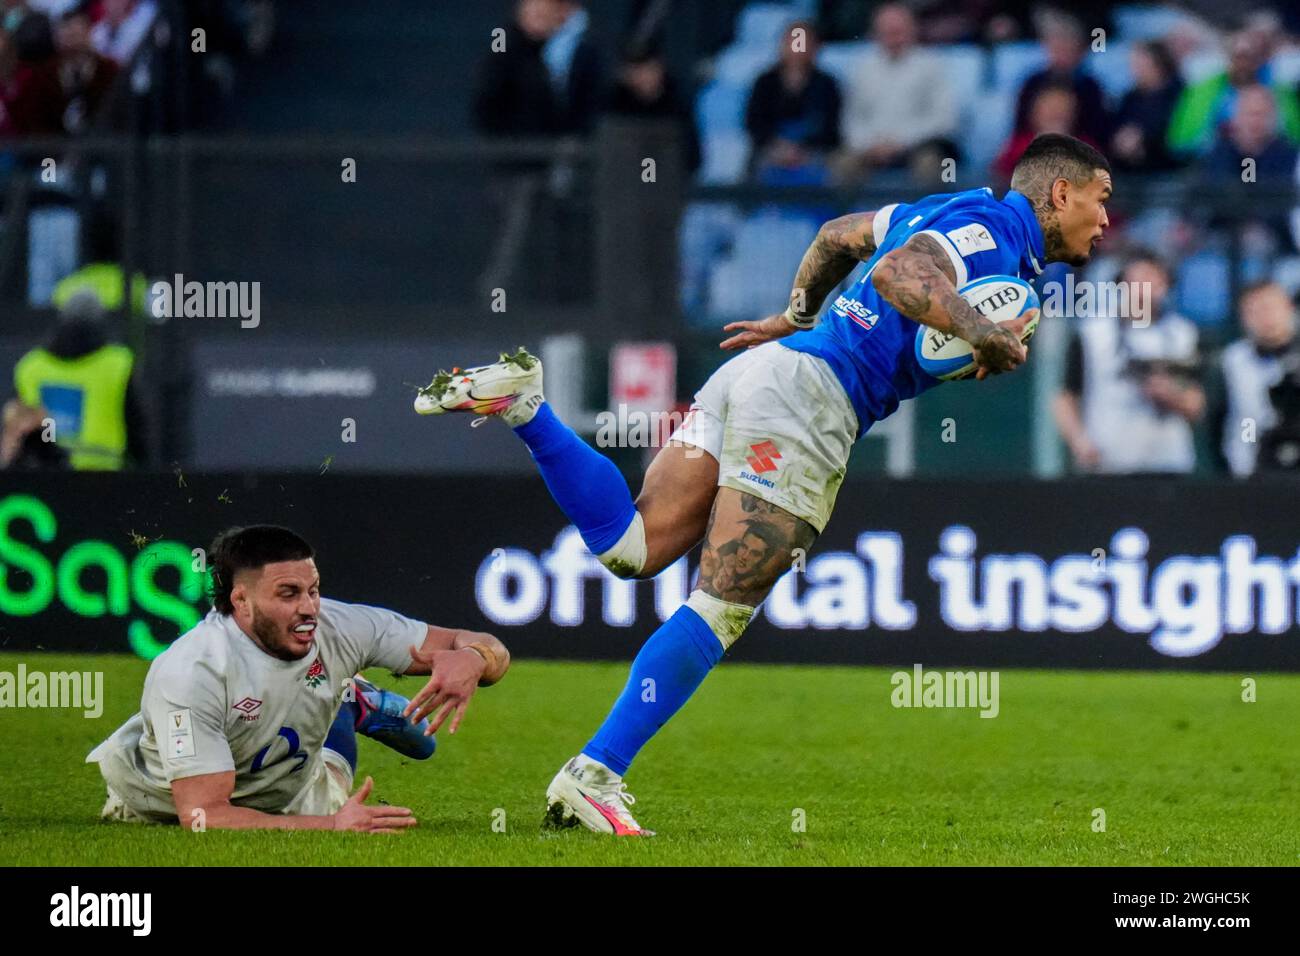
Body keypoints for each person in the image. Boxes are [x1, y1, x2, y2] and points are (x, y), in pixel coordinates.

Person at [414, 132, 1112, 835]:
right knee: (720, 608)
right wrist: (980, 333)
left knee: (631, 546)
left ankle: (527, 408)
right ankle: (593, 775)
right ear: (1060, 192)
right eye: (1101, 199)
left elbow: (838, 235)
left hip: (768, 369)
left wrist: (798, 317)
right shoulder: (989, 235)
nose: (1107, 219)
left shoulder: (948, 209)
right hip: (812, 403)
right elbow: (901, 274)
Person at [86, 525, 511, 830]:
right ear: (241, 601)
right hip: (159, 801)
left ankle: (347, 697)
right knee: (333, 799)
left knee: (316, 777)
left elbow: (485, 647)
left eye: (313, 589)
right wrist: (332, 827)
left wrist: (472, 657)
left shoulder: (341, 626)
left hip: (285, 787)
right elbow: (203, 816)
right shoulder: (192, 672)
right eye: (288, 594)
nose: (309, 608)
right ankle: (348, 699)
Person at [1053, 250, 1203, 474]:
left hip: (1167, 461)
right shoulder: (1092, 334)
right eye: (1135, 279)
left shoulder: (1184, 334)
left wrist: (1170, 394)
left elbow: (1196, 404)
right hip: (1108, 460)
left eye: (1152, 279)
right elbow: (1066, 396)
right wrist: (1079, 441)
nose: (1143, 287)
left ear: (1166, 285)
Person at [12, 291, 147, 470]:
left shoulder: (30, 367)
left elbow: (15, 432)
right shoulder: (118, 363)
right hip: (105, 478)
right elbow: (137, 430)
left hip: (44, 478)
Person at [837, 2, 957, 183]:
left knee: (931, 164)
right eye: (886, 32)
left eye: (898, 31)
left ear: (912, 30)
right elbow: (851, 119)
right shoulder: (863, 69)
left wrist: (900, 143)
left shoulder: (932, 65)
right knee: (842, 163)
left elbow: (945, 120)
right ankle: (849, 212)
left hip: (918, 148)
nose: (892, 38)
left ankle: (926, 212)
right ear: (875, 33)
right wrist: (870, 146)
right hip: (871, 149)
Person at [1167, 27, 1300, 158]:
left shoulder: (1280, 91)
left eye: (1250, 57)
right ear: (1228, 56)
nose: (1243, 63)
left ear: (1262, 58)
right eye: (1238, 56)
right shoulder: (1203, 90)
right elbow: (1179, 141)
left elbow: (1295, 137)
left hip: (1272, 161)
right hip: (1212, 161)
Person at [1217, 281, 1299, 476]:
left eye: (1271, 308)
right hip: (1255, 464)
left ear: (1289, 308)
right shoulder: (1235, 360)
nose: (1266, 318)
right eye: (1255, 311)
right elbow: (1244, 419)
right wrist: (1244, 465)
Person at [744, 20, 841, 183]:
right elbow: (754, 123)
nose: (797, 50)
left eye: (804, 44)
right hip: (772, 149)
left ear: (815, 47)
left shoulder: (827, 84)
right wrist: (778, 147)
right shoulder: (765, 82)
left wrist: (803, 149)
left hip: (814, 152)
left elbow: (832, 127)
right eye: (792, 43)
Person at [1012, 10, 1109, 148]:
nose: (1060, 51)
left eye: (1066, 46)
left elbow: (1097, 130)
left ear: (1079, 50)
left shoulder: (1090, 86)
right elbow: (1021, 125)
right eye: (1056, 46)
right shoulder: (1032, 82)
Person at [1109, 40, 1183, 173]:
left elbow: (1176, 128)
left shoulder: (1179, 93)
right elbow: (1117, 126)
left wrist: (1143, 138)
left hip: (1168, 167)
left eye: (1140, 64)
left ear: (1158, 64)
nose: (1134, 70)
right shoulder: (1130, 97)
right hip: (1129, 167)